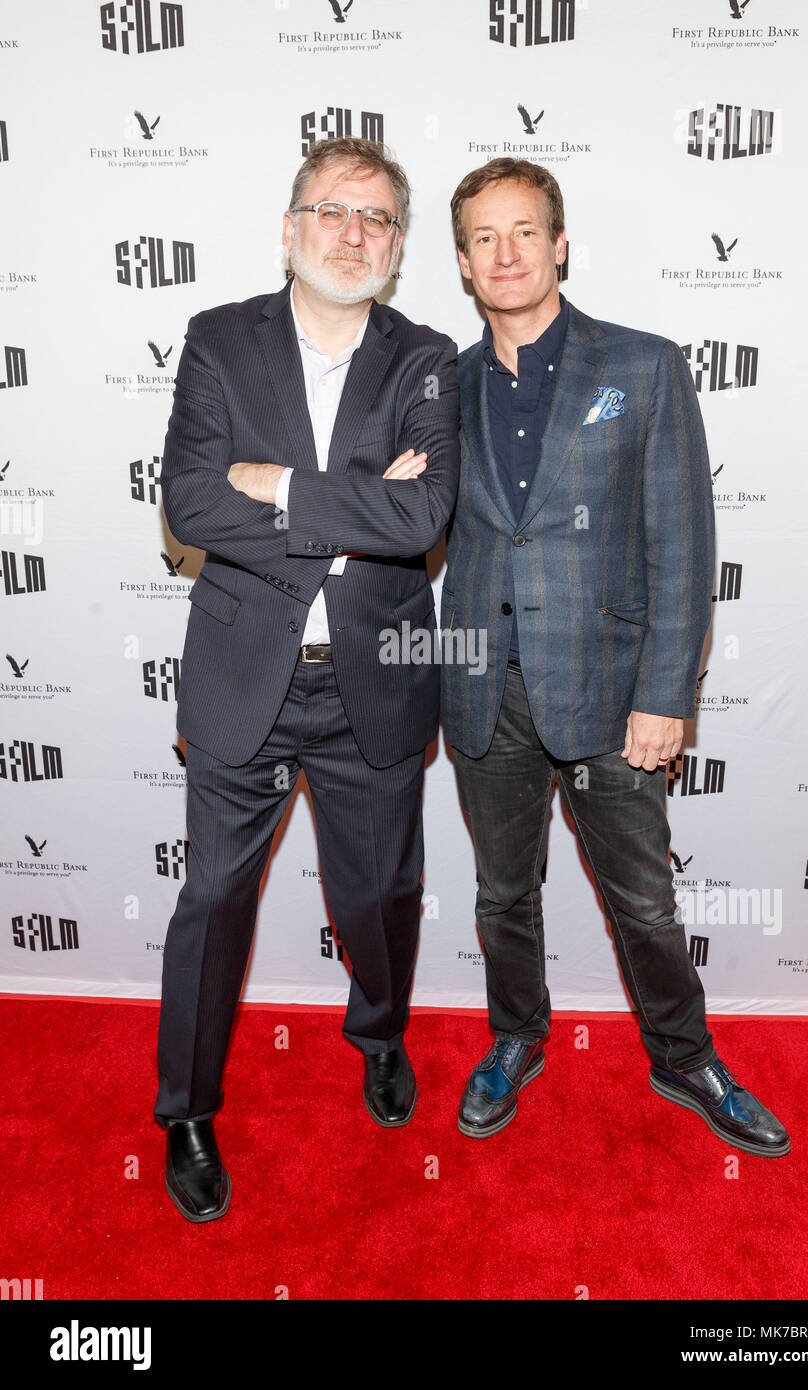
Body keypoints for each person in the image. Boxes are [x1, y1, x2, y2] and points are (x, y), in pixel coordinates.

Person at [441, 157, 789, 1157]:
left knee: (641, 898)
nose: (504, 253)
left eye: (523, 232)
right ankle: (515, 1037)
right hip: (482, 694)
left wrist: (664, 695)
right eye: (482, 238)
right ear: (462, 263)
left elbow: (681, 543)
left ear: (558, 244)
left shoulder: (640, 365)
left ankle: (683, 1055)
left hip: (608, 693)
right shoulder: (440, 387)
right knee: (502, 892)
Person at [154, 137, 458, 1222]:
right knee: (214, 899)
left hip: (373, 678)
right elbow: (191, 504)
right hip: (247, 674)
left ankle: (377, 1037)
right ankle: (185, 1107)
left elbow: (425, 517)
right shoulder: (218, 341)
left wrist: (275, 483)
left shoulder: (427, 358)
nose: (351, 234)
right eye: (332, 211)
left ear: (395, 246)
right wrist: (353, 502)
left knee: (379, 896)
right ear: (291, 228)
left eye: (375, 219)